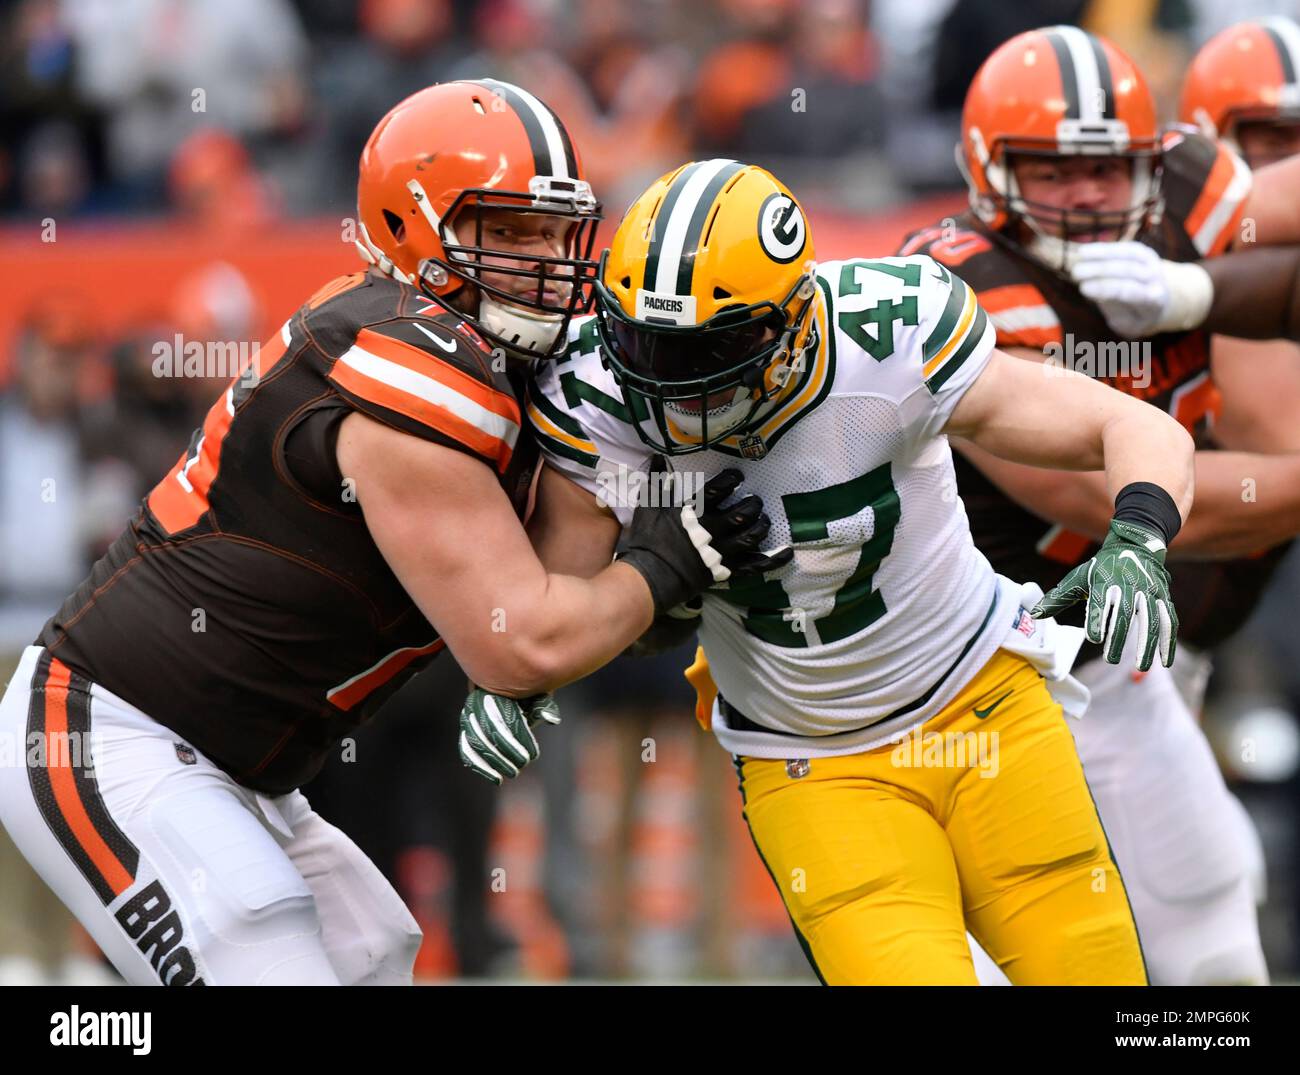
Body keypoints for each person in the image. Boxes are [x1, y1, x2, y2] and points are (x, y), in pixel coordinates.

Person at [0, 80, 782, 986]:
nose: (546, 260)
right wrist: (663, 564)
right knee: (264, 952)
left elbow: (548, 594)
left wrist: (635, 588)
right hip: (106, 728)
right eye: (511, 232)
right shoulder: (403, 359)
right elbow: (520, 637)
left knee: (374, 955)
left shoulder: (481, 364)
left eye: (556, 231)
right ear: (412, 231)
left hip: (240, 763)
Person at [459, 156, 1198, 984]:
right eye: (648, 343)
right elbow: (572, 605)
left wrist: (1137, 534)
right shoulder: (595, 390)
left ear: (796, 320)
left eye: (714, 345)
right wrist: (533, 662)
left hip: (986, 701)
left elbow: (1131, 427)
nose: (676, 381)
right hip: (811, 762)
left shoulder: (890, 333)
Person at [899, 25, 1300, 984]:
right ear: (988, 173)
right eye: (1050, 170)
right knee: (1014, 959)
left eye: (1108, 170)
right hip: (963, 677)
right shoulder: (959, 284)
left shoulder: (1188, 197)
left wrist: (1196, 288)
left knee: (1212, 916)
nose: (1084, 196)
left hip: (1108, 658)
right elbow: (1137, 509)